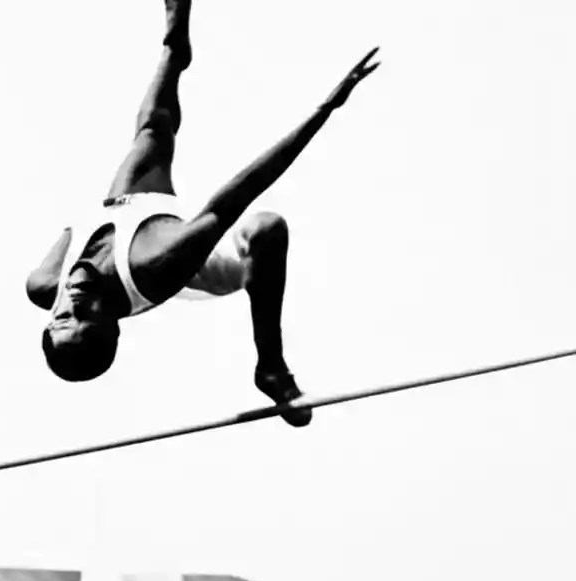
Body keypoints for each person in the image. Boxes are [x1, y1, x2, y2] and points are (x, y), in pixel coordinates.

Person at [24, 0, 380, 427]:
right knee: (266, 230)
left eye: (64, 316)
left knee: (153, 129)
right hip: (189, 266)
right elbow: (236, 197)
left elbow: (74, 227)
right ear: (114, 323)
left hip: (131, 211)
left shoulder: (45, 282)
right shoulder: (155, 266)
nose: (75, 303)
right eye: (87, 315)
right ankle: (272, 369)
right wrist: (323, 112)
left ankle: (174, 45)